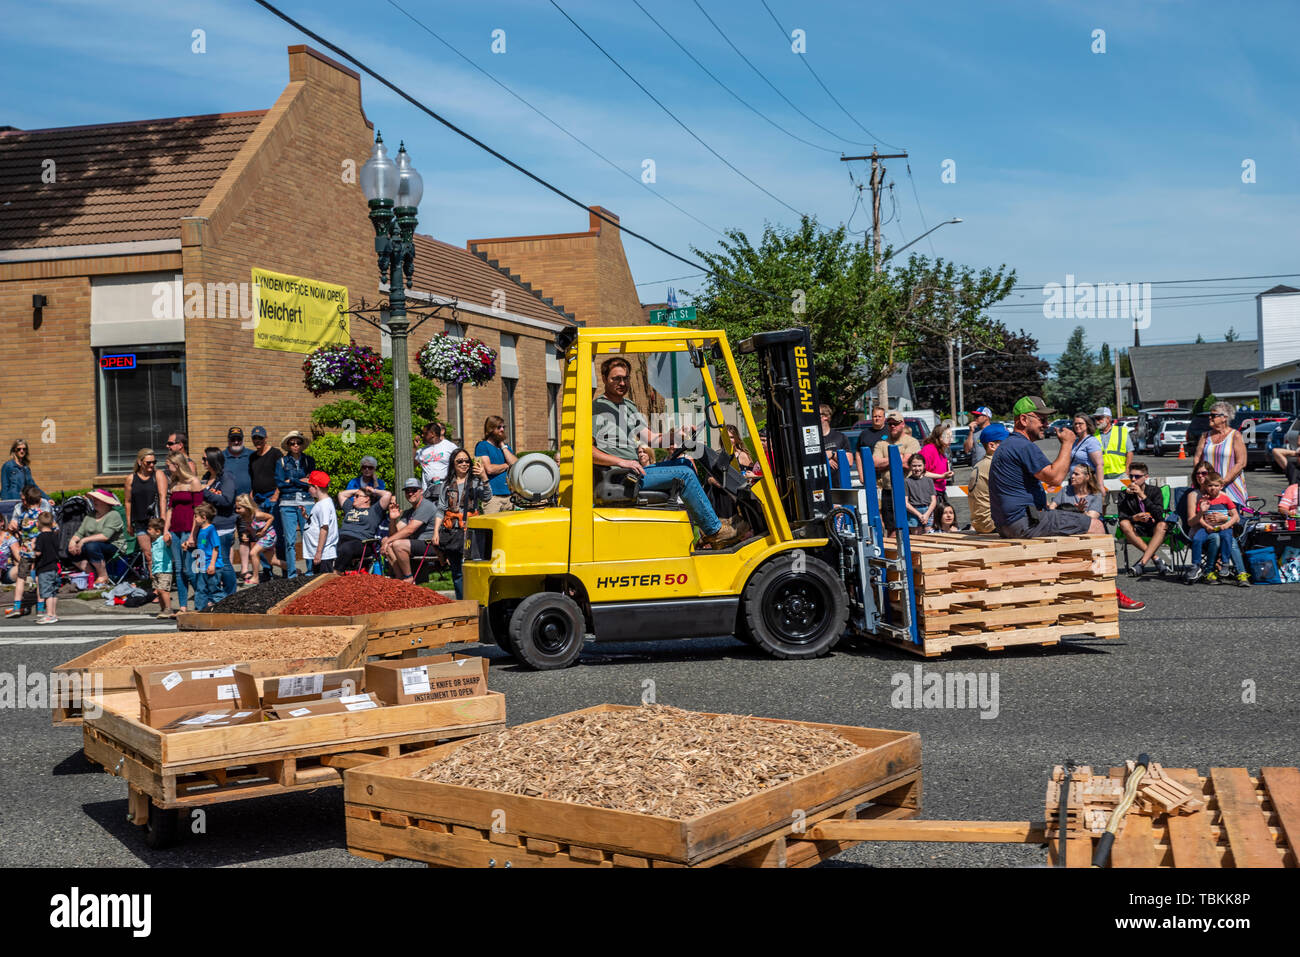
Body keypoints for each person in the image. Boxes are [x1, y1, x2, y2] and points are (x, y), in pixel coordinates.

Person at [591, 356, 743, 547]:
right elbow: (586, 451)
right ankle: (714, 531)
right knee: (684, 474)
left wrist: (677, 434)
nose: (622, 383)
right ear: (604, 378)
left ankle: (707, 524)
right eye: (616, 378)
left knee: (685, 463)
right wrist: (622, 461)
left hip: (633, 472)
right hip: (620, 477)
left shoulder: (628, 406)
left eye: (626, 378)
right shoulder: (596, 409)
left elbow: (652, 439)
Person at [990, 396, 1100, 537]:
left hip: (1008, 524)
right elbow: (1055, 478)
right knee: (1095, 525)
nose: (1047, 424)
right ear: (1024, 420)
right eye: (1042, 420)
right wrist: (1067, 443)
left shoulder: (1009, 444)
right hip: (1024, 523)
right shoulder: (1022, 445)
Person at [437, 455, 491, 598]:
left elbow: (487, 497)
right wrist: (436, 532)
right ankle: (462, 603)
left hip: (471, 532)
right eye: (460, 461)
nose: (464, 464)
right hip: (452, 532)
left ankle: (475, 601)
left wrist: (484, 477)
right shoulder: (447, 484)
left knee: (471, 569)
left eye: (467, 461)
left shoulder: (475, 482)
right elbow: (441, 509)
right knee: (457, 572)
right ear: (453, 464)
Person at [1185, 470, 1249, 586]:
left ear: (1221, 486)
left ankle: (1239, 572)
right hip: (1206, 529)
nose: (1213, 488)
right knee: (1207, 538)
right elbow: (1196, 518)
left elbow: (1236, 516)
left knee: (1230, 540)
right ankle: (1201, 568)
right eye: (1210, 485)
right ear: (1205, 485)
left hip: (1223, 528)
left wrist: (1225, 521)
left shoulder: (1224, 497)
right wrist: (1206, 524)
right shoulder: (1199, 498)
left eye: (1216, 485)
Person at [1116, 462, 1173, 578]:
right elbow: (1121, 516)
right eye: (1131, 476)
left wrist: (1143, 496)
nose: (1133, 479)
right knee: (1124, 523)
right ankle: (1156, 559)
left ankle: (1141, 563)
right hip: (1136, 528)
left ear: (1146, 477)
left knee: (1162, 525)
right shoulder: (1124, 494)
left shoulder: (1155, 491)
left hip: (1153, 527)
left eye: (1137, 476)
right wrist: (1134, 518)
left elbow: (1160, 514)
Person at [165, 452, 204, 613]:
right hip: (175, 530)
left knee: (190, 569)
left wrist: (193, 535)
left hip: (190, 529)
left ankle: (203, 598)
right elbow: (170, 509)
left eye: (168, 465)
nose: (167, 468)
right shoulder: (173, 484)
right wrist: (165, 530)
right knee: (179, 569)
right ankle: (182, 606)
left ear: (177, 465)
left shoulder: (193, 482)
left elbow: (198, 510)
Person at [275, 431, 316, 579]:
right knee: (290, 540)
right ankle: (292, 574)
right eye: (292, 443)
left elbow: (312, 483)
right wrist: (300, 482)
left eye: (298, 442)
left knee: (308, 536)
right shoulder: (282, 462)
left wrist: (291, 481)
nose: (295, 445)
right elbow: (280, 484)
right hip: (287, 503)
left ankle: (311, 571)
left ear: (302, 444)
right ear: (288, 445)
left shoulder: (309, 461)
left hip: (307, 501)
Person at [382, 479, 441, 582]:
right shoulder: (409, 512)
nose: (410, 493)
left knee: (397, 544)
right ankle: (400, 579)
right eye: (407, 491)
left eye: (414, 490)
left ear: (421, 491)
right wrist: (392, 519)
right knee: (387, 541)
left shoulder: (426, 506)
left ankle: (408, 578)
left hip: (431, 544)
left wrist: (388, 541)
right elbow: (394, 534)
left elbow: (410, 530)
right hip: (417, 544)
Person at [1194, 401, 1248, 509]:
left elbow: (1241, 463)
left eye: (1213, 415)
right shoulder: (1205, 436)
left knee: (1231, 519)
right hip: (1207, 486)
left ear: (1224, 418)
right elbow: (1197, 458)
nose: (1210, 417)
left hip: (1231, 486)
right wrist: (1201, 480)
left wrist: (1222, 482)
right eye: (1210, 415)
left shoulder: (1235, 435)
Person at [200, 448, 238, 599]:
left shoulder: (226, 478)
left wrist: (205, 492)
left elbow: (227, 501)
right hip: (208, 528)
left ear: (212, 460)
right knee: (209, 560)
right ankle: (214, 594)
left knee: (223, 561)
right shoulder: (207, 476)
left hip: (223, 527)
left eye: (204, 459)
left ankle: (231, 595)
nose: (202, 462)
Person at [67, 489, 124, 589]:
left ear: (106, 502)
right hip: (94, 545)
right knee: (70, 549)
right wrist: (72, 541)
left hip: (113, 545)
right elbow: (80, 532)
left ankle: (103, 575)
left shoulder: (113, 515)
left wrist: (83, 540)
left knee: (91, 546)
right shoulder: (90, 515)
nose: (94, 501)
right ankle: (91, 574)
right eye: (94, 499)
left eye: (97, 499)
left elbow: (105, 536)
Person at [872, 414, 922, 526]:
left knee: (913, 527)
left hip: (909, 491)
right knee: (891, 528)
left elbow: (907, 464)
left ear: (902, 424)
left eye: (896, 423)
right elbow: (875, 464)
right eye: (890, 424)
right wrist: (896, 457)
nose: (893, 426)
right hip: (888, 490)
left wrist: (885, 462)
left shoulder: (912, 442)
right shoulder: (881, 443)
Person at [336, 486, 393, 572]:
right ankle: (319, 574)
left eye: (357, 496)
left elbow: (388, 494)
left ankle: (336, 573)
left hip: (362, 542)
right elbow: (341, 494)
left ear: (366, 499)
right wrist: (357, 490)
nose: (353, 498)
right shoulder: (350, 508)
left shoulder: (374, 510)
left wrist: (373, 490)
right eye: (354, 496)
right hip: (342, 538)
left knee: (346, 547)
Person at [124, 447, 166, 560]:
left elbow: (163, 497)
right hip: (140, 522)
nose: (151, 465)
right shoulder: (131, 479)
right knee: (148, 555)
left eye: (154, 462)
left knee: (160, 552)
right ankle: (152, 577)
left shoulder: (158, 475)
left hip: (155, 520)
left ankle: (162, 577)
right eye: (148, 462)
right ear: (140, 462)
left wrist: (163, 519)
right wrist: (128, 523)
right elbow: (128, 501)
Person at [968, 423, 1009, 534]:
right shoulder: (996, 465)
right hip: (991, 524)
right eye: (1005, 442)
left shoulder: (980, 464)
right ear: (992, 446)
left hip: (980, 523)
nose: (1010, 446)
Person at [475, 416, 519, 514]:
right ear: (490, 429)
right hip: (492, 498)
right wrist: (507, 465)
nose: (502, 430)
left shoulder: (505, 448)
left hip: (509, 497)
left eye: (503, 427)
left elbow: (516, 464)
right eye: (499, 427)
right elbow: (489, 469)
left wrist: (503, 446)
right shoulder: (482, 445)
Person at [234, 494, 279, 584]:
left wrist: (263, 530)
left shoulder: (257, 514)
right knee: (273, 561)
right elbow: (249, 528)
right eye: (236, 508)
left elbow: (271, 517)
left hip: (269, 536)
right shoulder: (245, 517)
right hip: (263, 537)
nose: (237, 510)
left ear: (246, 506)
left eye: (239, 508)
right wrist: (245, 534)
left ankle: (255, 578)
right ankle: (294, 569)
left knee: (253, 553)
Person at [302, 471, 338, 575]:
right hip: (320, 553)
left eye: (309, 486)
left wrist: (318, 552)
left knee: (324, 585)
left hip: (323, 554)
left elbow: (324, 528)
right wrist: (306, 517)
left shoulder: (324, 505)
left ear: (316, 487)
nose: (308, 490)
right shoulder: (321, 503)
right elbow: (318, 523)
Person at [191, 503, 225, 611]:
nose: (194, 519)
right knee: (200, 589)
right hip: (202, 565)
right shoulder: (201, 530)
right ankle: (200, 609)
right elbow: (202, 547)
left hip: (211, 565)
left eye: (196, 516)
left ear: (204, 517)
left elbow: (215, 548)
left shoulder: (211, 529)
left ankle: (224, 607)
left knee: (214, 589)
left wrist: (212, 564)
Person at [415, 422, 457, 501]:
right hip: (427, 492)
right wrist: (414, 448)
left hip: (445, 491)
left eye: (424, 433)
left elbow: (459, 464)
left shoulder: (450, 447)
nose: (422, 436)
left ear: (432, 434)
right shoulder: (421, 451)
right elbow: (411, 465)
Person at [919, 423, 955, 508]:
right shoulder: (929, 450)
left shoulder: (941, 451)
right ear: (939, 437)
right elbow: (921, 472)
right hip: (930, 494)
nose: (951, 439)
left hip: (940, 492)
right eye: (948, 436)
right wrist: (942, 476)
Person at [33, 512, 60, 624]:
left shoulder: (40, 537)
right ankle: (53, 613)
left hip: (44, 568)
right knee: (53, 592)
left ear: (38, 524)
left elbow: (38, 553)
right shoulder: (55, 535)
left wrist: (33, 547)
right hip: (54, 567)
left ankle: (49, 615)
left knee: (47, 592)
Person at [146, 517, 174, 618]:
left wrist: (167, 537)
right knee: (159, 591)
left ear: (158, 531)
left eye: (149, 529)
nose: (147, 531)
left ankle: (168, 609)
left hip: (165, 570)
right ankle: (163, 609)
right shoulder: (154, 543)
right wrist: (151, 571)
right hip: (156, 570)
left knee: (163, 590)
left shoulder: (162, 541)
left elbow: (169, 542)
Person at [1094, 407, 1133, 481]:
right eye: (1095, 419)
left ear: (1108, 419)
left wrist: (1127, 470)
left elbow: (1130, 452)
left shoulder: (1122, 432)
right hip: (1101, 474)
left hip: (1120, 474)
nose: (1097, 421)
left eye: (1099, 418)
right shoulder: (1094, 434)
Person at [1069, 413, 1106, 490]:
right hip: (1075, 482)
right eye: (1075, 423)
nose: (1077, 426)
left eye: (1080, 423)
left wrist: (1100, 485)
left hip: (1087, 484)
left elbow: (1099, 465)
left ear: (1087, 425)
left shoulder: (1091, 441)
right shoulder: (1075, 442)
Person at [248, 426, 281, 511]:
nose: (257, 440)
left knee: (274, 524)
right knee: (259, 524)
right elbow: (254, 477)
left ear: (266, 438)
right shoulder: (252, 457)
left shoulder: (276, 454)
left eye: (260, 438)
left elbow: (283, 477)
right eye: (254, 438)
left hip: (272, 498)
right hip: (257, 499)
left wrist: (276, 495)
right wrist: (252, 494)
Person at [903, 453, 936, 531]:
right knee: (916, 536)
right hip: (913, 511)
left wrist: (927, 514)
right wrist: (919, 515)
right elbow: (906, 503)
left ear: (924, 465)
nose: (917, 468)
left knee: (929, 534)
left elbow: (933, 500)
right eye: (914, 466)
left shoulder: (929, 480)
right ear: (909, 466)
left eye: (919, 465)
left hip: (928, 510)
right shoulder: (906, 482)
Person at [854, 406, 888, 482]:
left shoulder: (890, 432)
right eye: (875, 416)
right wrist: (861, 475)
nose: (877, 418)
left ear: (884, 418)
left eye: (879, 416)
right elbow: (858, 455)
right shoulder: (864, 434)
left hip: (888, 475)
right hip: (870, 476)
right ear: (871, 418)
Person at [222, 427, 253, 498]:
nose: (236, 442)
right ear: (228, 440)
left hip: (248, 500)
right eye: (233, 439)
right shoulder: (221, 457)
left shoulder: (252, 455)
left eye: (239, 439)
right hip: (227, 500)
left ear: (243, 440)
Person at [819, 404, 848, 478]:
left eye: (817, 414)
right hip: (820, 485)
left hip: (839, 484)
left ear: (825, 417)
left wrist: (832, 454)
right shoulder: (813, 440)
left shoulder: (840, 436)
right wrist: (826, 461)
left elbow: (849, 462)